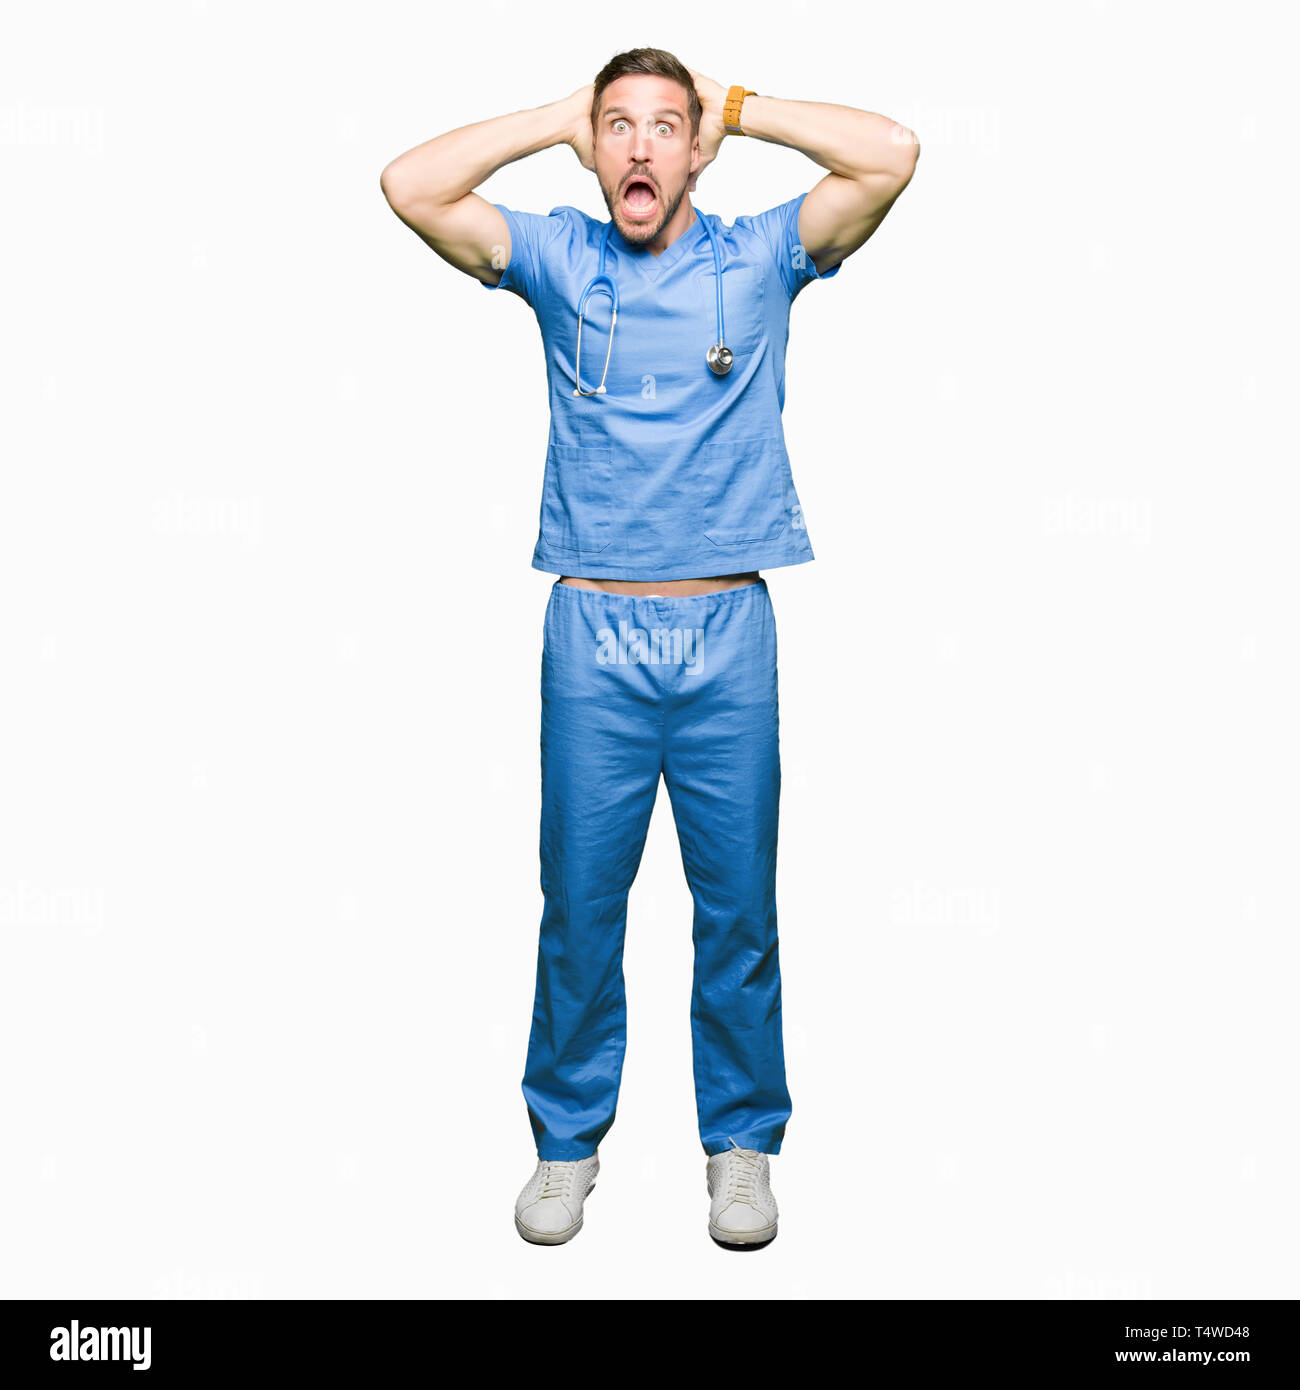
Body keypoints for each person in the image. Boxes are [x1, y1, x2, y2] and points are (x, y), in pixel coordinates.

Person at [381, 48, 918, 1249]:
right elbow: (409, 184)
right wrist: (548, 120)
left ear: (694, 151)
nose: (636, 147)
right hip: (593, 634)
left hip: (726, 629)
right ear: (595, 144)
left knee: (736, 910)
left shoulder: (759, 256)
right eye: (615, 126)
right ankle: (565, 1146)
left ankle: (740, 1145)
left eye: (661, 128)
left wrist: (737, 109)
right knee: (579, 906)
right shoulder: (564, 258)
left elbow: (890, 153)